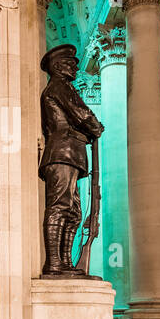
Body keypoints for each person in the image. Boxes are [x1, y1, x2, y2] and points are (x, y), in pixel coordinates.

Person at [39, 44, 103, 275]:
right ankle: (54, 262)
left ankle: (64, 262)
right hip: (61, 154)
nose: (75, 68)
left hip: (71, 154)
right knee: (60, 207)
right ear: (57, 67)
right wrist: (95, 127)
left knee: (73, 212)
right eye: (70, 64)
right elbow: (83, 114)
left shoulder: (62, 87)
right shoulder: (59, 87)